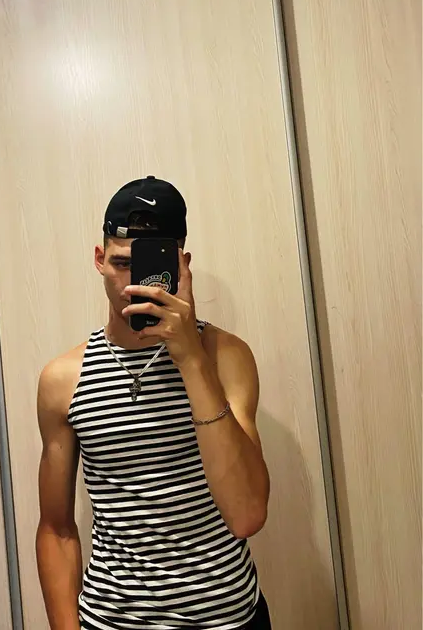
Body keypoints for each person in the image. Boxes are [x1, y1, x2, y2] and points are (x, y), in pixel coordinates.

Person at [36, 176, 271, 630]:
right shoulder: (63, 380)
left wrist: (190, 358)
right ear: (99, 259)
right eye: (122, 263)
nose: (132, 284)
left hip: (227, 617)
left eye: (150, 266)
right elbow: (56, 530)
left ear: (182, 265)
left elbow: (247, 514)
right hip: (113, 620)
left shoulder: (225, 357)